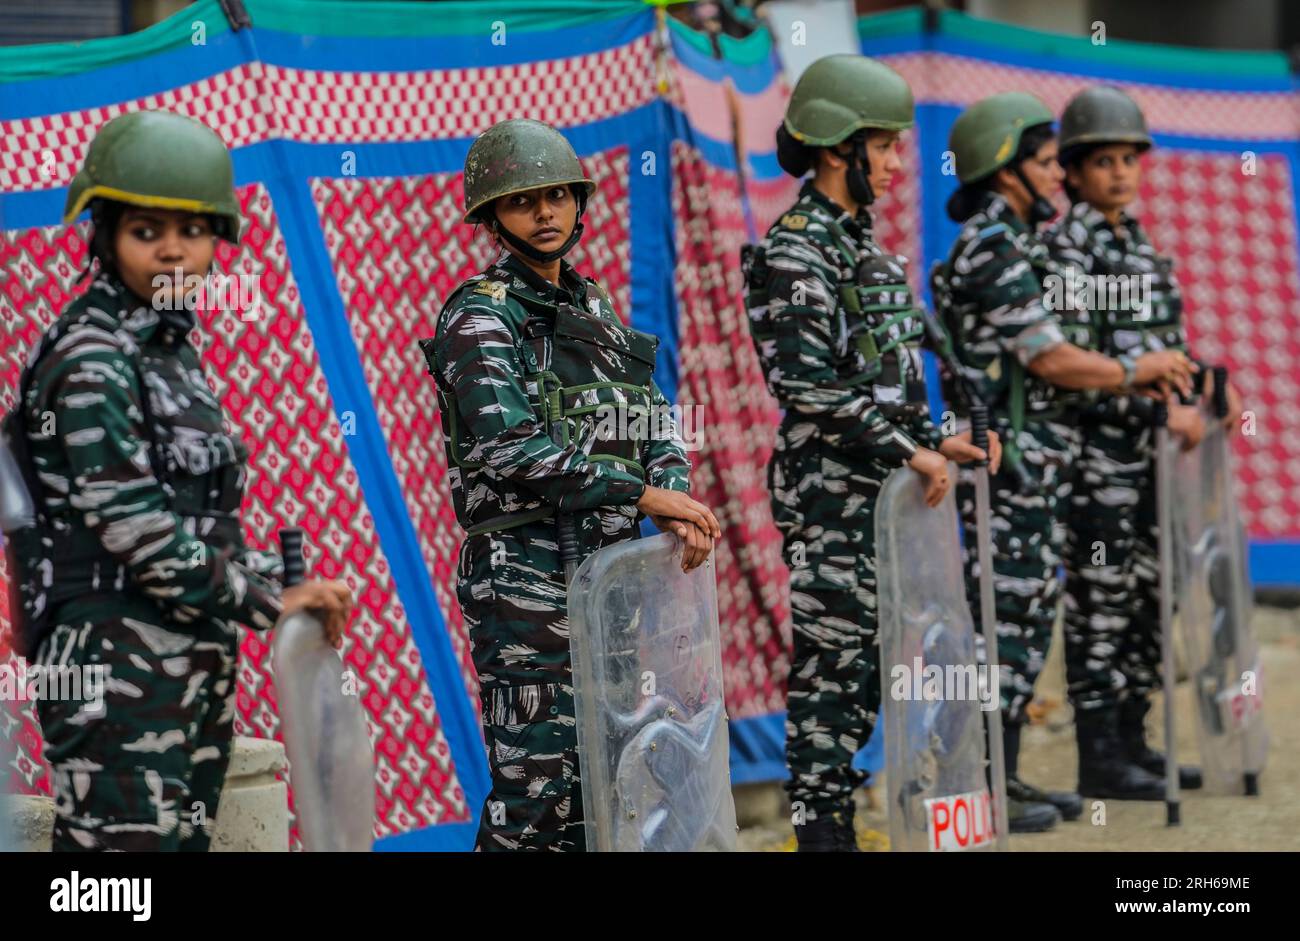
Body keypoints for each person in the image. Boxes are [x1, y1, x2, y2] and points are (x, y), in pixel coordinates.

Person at [15, 110, 353, 851]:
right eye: (146, 231)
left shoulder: (169, 350)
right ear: (104, 233)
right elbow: (135, 526)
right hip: (114, 665)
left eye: (192, 230)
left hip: (189, 661)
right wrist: (269, 594)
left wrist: (280, 579)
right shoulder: (92, 354)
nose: (172, 249)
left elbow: (194, 526)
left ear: (217, 239)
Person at [421, 118, 720, 852]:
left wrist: (672, 493)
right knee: (535, 799)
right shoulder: (479, 315)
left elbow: (656, 419)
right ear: (492, 215)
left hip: (609, 581)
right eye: (525, 201)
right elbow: (510, 448)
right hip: (524, 586)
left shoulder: (596, 310)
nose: (546, 213)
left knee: (606, 784)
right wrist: (644, 497)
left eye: (557, 196)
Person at [743, 54, 1000, 852]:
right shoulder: (794, 253)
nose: (895, 163)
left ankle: (883, 811)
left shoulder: (873, 253)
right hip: (831, 497)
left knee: (902, 653)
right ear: (836, 149)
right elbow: (806, 387)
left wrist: (935, 440)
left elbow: (888, 379)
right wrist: (910, 450)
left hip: (894, 495)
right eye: (884, 147)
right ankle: (821, 826)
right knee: (836, 664)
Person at [932, 92, 1196, 831]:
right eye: (1048, 162)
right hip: (1007, 465)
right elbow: (1049, 356)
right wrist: (1134, 375)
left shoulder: (1022, 240)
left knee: (1023, 620)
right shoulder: (993, 242)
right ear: (1005, 167)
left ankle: (1005, 778)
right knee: (1003, 622)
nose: (1058, 175)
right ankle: (988, 783)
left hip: (1034, 463)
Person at [1048, 85, 1243, 797]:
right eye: (1103, 160)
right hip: (1101, 463)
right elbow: (1071, 368)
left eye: (1129, 158)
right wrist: (1160, 416)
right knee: (1101, 603)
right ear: (1071, 169)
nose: (1120, 173)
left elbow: (1168, 351)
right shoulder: (1067, 248)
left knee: (1149, 602)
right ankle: (1099, 756)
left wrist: (1209, 391)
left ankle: (1135, 741)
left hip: (1156, 465)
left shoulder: (1144, 246)